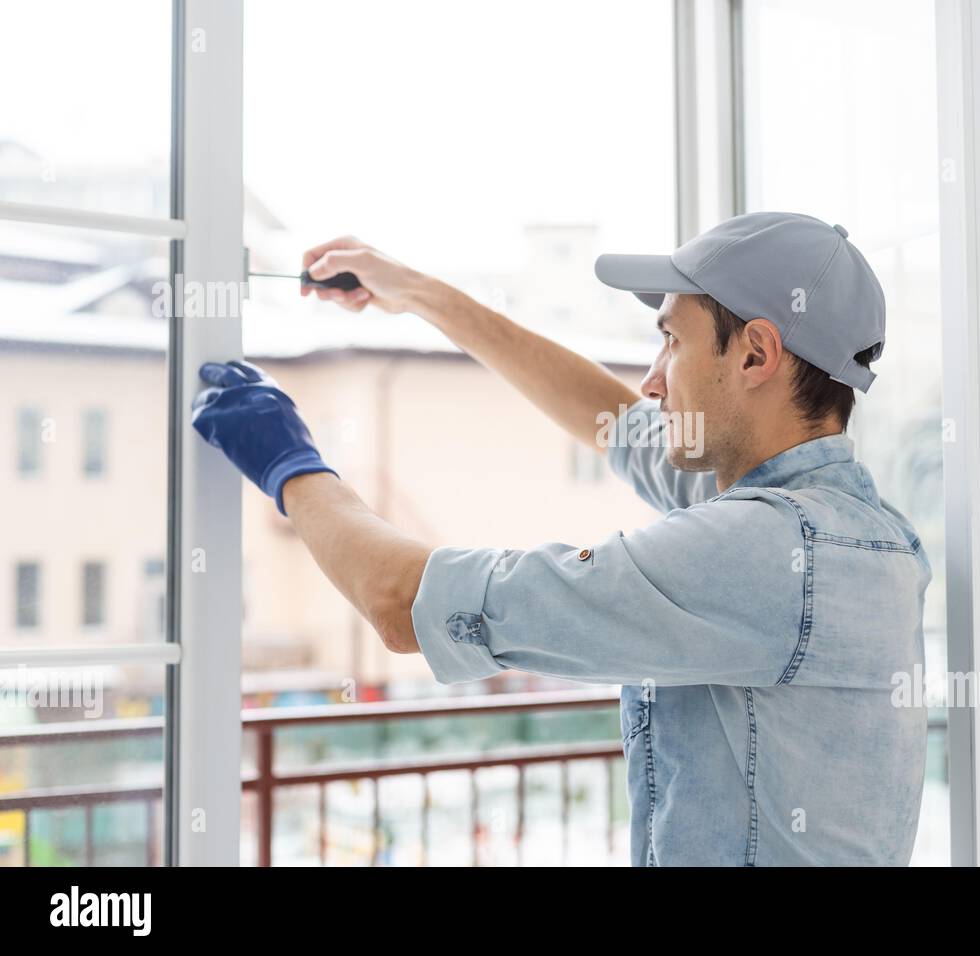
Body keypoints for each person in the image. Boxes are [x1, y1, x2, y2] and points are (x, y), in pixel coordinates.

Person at [191, 211, 932, 866]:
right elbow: (606, 416)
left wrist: (290, 464)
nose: (651, 379)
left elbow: (401, 600)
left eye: (671, 340)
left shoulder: (770, 553)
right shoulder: (830, 521)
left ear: (755, 355)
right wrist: (415, 292)